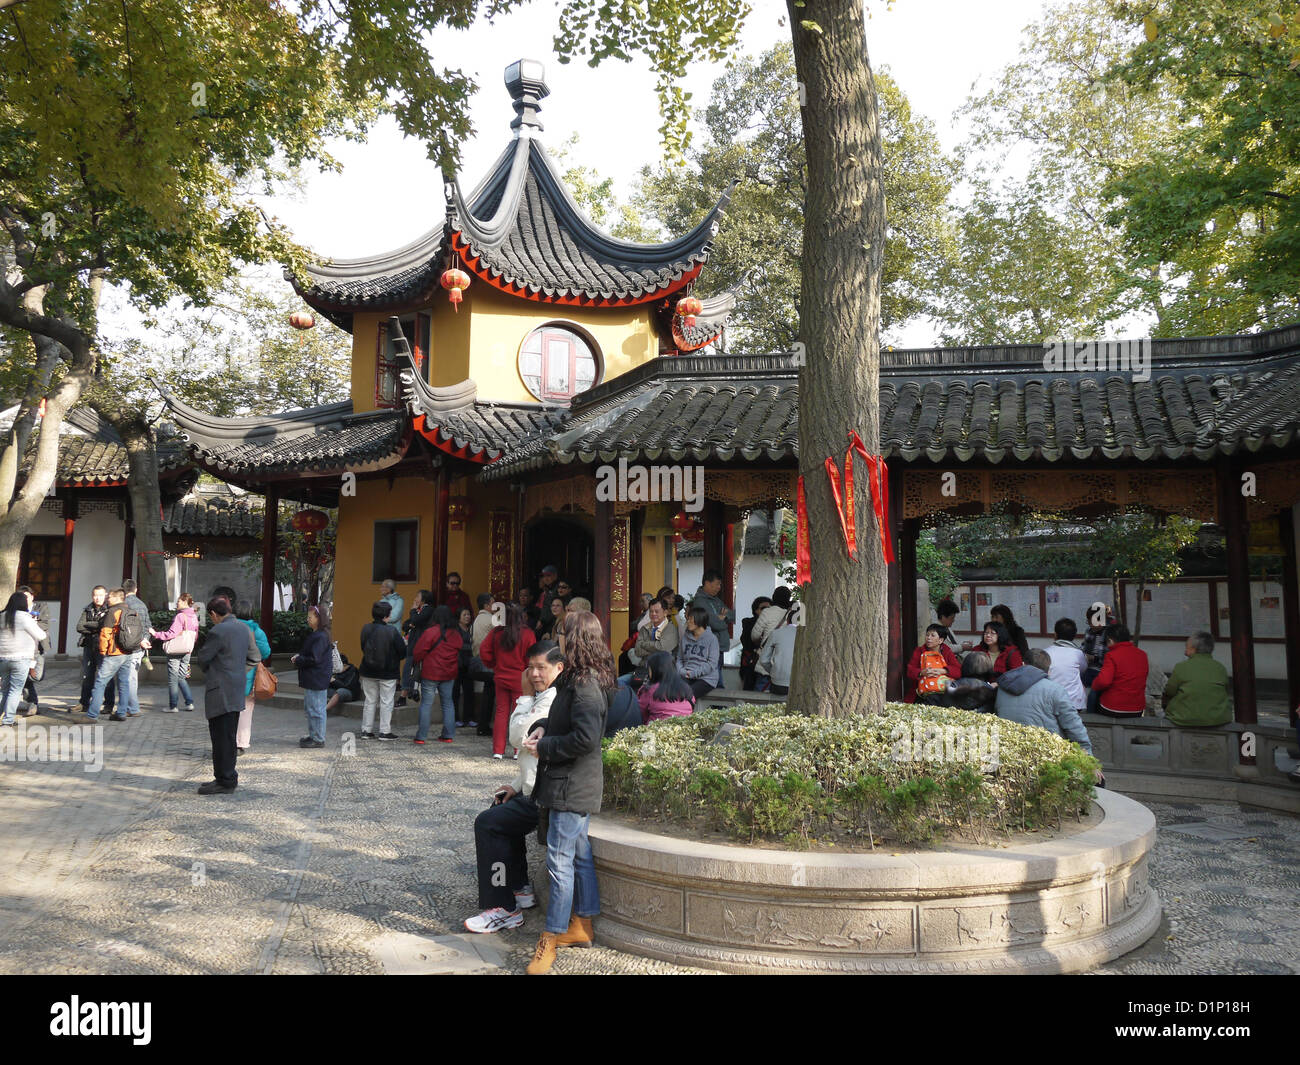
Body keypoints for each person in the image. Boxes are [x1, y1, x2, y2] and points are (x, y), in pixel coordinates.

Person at [520, 611, 613, 974]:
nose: (557, 638)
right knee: (578, 855)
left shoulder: (587, 684)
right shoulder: (579, 679)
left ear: (573, 639)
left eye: (561, 633)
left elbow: (587, 739)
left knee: (559, 863)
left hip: (573, 785)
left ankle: (551, 937)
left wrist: (545, 748)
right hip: (571, 782)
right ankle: (582, 925)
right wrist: (544, 726)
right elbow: (565, 721)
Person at [464, 641, 563, 935]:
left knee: (488, 823)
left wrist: (522, 696)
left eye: (540, 668)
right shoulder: (541, 696)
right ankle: (519, 887)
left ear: (559, 668)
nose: (533, 674)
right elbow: (527, 758)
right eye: (530, 667)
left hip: (547, 797)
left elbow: (518, 737)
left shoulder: (552, 699)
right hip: (533, 788)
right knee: (503, 808)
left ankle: (503, 908)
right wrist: (516, 786)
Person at [195, 596, 261, 794]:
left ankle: (224, 780)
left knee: (220, 736)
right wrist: (239, 672)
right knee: (229, 735)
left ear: (214, 614)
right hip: (236, 688)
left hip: (219, 689)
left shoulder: (218, 631)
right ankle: (227, 776)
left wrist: (217, 672)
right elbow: (255, 657)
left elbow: (203, 658)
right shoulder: (245, 628)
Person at [996, 649, 1093, 755]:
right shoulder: (1056, 690)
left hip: (1008, 753)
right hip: (1046, 755)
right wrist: (1088, 756)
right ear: (1049, 670)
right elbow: (1074, 727)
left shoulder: (1002, 688)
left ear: (1023, 664)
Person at [480, 602, 537, 758]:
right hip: (521, 678)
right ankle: (517, 749)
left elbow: (484, 651)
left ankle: (498, 750)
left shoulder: (497, 632)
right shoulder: (527, 634)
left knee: (501, 713)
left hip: (501, 676)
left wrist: (493, 664)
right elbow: (531, 656)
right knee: (519, 714)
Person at [413, 605, 463, 744]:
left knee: (426, 704)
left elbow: (418, 651)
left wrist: (419, 662)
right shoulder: (455, 633)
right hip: (449, 672)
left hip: (431, 672)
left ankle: (421, 736)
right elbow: (459, 647)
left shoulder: (430, 632)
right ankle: (448, 735)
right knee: (448, 703)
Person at [359, 599, 407, 739]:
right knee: (386, 701)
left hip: (368, 669)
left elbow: (363, 647)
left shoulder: (366, 628)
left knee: (370, 700)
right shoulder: (392, 631)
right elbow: (402, 652)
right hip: (388, 671)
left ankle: (366, 730)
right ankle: (384, 731)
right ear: (387, 615)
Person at [1162, 631, 1231, 727]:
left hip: (1184, 718)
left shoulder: (1182, 667)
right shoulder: (1220, 668)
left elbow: (1169, 691)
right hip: (1218, 719)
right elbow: (1225, 690)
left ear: (1194, 649)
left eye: (1187, 646)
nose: (1185, 649)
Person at [86, 589, 133, 722]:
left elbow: (105, 633)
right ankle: (121, 713)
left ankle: (92, 715)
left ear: (117, 598)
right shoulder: (130, 611)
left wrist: (103, 651)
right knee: (123, 683)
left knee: (100, 682)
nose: (107, 599)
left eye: (109, 597)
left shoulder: (113, 612)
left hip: (113, 652)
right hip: (127, 652)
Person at [0, 591, 46, 727]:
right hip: (21, 659)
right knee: (15, 690)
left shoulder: (2, 616)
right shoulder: (24, 617)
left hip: (3, 658)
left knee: (4, 690)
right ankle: (8, 720)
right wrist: (34, 622)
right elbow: (41, 635)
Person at [1087, 623, 1149, 717]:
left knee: (1093, 692)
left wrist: (1094, 685)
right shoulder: (1142, 655)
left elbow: (1103, 682)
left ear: (1110, 640)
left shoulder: (1112, 655)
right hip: (1137, 709)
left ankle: (1090, 722)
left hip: (1113, 708)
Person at [291, 605, 332, 747]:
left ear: (319, 619)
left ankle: (318, 738)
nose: (308, 619)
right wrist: (300, 657)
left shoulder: (320, 636)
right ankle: (313, 735)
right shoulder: (319, 634)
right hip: (314, 677)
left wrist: (299, 660)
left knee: (316, 709)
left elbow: (314, 658)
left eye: (310, 617)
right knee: (311, 708)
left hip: (316, 677)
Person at [151, 593, 199, 713]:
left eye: (178, 601)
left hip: (175, 650)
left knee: (173, 678)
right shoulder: (194, 616)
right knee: (182, 677)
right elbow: (196, 634)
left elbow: (171, 633)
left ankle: (173, 706)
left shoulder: (180, 616)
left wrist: (156, 634)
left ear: (184, 602)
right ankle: (189, 703)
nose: (176, 603)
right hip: (188, 649)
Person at [235, 600, 271, 752]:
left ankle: (227, 741)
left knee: (229, 710)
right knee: (245, 711)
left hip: (229, 674)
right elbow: (266, 652)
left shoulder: (230, 628)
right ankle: (241, 743)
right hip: (249, 675)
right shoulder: (257, 631)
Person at [620, 596, 678, 687]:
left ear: (665, 612)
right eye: (651, 611)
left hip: (662, 671)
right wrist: (655, 646)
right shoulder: (645, 628)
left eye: (657, 611)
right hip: (644, 669)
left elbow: (662, 648)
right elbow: (638, 651)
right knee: (619, 683)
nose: (653, 614)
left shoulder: (671, 629)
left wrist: (644, 644)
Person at [74, 585, 114, 715]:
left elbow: (105, 626)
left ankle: (108, 704)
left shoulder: (109, 609)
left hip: (103, 647)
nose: (97, 598)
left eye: (100, 595)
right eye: (95, 595)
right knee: (87, 676)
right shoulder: (88, 609)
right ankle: (84, 703)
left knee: (106, 676)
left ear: (106, 595)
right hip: (89, 646)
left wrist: (91, 626)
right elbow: (79, 626)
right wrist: (95, 627)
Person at [119, 578, 152, 717]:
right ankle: (128, 706)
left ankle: (132, 708)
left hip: (126, 646)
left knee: (127, 679)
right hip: (139, 647)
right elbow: (148, 625)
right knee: (132, 678)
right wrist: (144, 639)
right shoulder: (142, 605)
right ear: (136, 589)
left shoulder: (122, 605)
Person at [690, 568, 734, 671]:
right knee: (715, 681)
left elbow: (732, 614)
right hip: (710, 647)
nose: (719, 587)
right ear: (707, 583)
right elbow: (716, 624)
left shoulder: (716, 600)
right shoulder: (700, 602)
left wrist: (723, 617)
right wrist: (722, 620)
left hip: (719, 646)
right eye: (717, 584)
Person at [906, 623, 962, 703]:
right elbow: (910, 671)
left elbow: (958, 670)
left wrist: (943, 671)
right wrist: (922, 672)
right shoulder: (919, 651)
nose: (928, 638)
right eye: (927, 635)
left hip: (943, 692)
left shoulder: (947, 652)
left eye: (932, 635)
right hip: (922, 692)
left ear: (941, 640)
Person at [637, 651, 696, 722]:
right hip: (684, 730)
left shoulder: (649, 690)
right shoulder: (686, 688)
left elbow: (639, 714)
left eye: (649, 668)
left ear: (654, 669)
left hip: (657, 731)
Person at [1044, 618, 1088, 711]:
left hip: (1051, 702)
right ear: (1074, 636)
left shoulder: (1045, 652)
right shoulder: (1078, 653)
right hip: (1074, 702)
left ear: (1055, 635)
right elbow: (1083, 669)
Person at [677, 606, 721, 698]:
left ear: (699, 620)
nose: (687, 622)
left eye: (690, 619)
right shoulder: (685, 637)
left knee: (688, 695)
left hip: (706, 678)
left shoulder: (712, 639)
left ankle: (685, 712)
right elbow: (680, 659)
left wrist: (693, 673)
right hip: (686, 674)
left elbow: (711, 664)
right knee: (673, 691)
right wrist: (681, 671)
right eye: (687, 619)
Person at [400, 591, 434, 700]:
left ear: (424, 599)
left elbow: (415, 620)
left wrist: (413, 611)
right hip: (412, 645)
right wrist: (411, 622)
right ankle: (408, 692)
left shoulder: (428, 610)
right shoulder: (418, 611)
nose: (415, 599)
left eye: (417, 597)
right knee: (409, 670)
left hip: (419, 646)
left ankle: (404, 696)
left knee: (411, 670)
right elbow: (405, 625)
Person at [756, 615, 798, 696]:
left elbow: (763, 660)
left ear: (787, 620)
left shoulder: (776, 633)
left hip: (779, 682)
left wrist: (774, 672)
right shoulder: (810, 636)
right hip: (802, 683)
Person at [738, 595, 772, 691]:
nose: (767, 611)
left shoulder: (773, 624)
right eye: (764, 608)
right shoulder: (748, 622)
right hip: (751, 665)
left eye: (769, 608)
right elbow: (746, 642)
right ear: (756, 610)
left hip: (766, 666)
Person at [1080, 603, 1113, 687]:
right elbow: (1083, 647)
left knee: (1093, 694)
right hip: (1088, 668)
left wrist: (1094, 658)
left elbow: (1112, 658)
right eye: (1089, 622)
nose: (1090, 625)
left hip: (1103, 670)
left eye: (1092, 622)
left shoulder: (1110, 632)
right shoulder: (1089, 630)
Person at [453, 606, 475, 727]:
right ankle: (456, 718)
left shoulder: (472, 628)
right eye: (464, 615)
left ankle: (469, 718)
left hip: (470, 664)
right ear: (459, 618)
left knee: (469, 692)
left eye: (468, 615)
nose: (467, 617)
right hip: (457, 664)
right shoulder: (455, 629)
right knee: (455, 692)